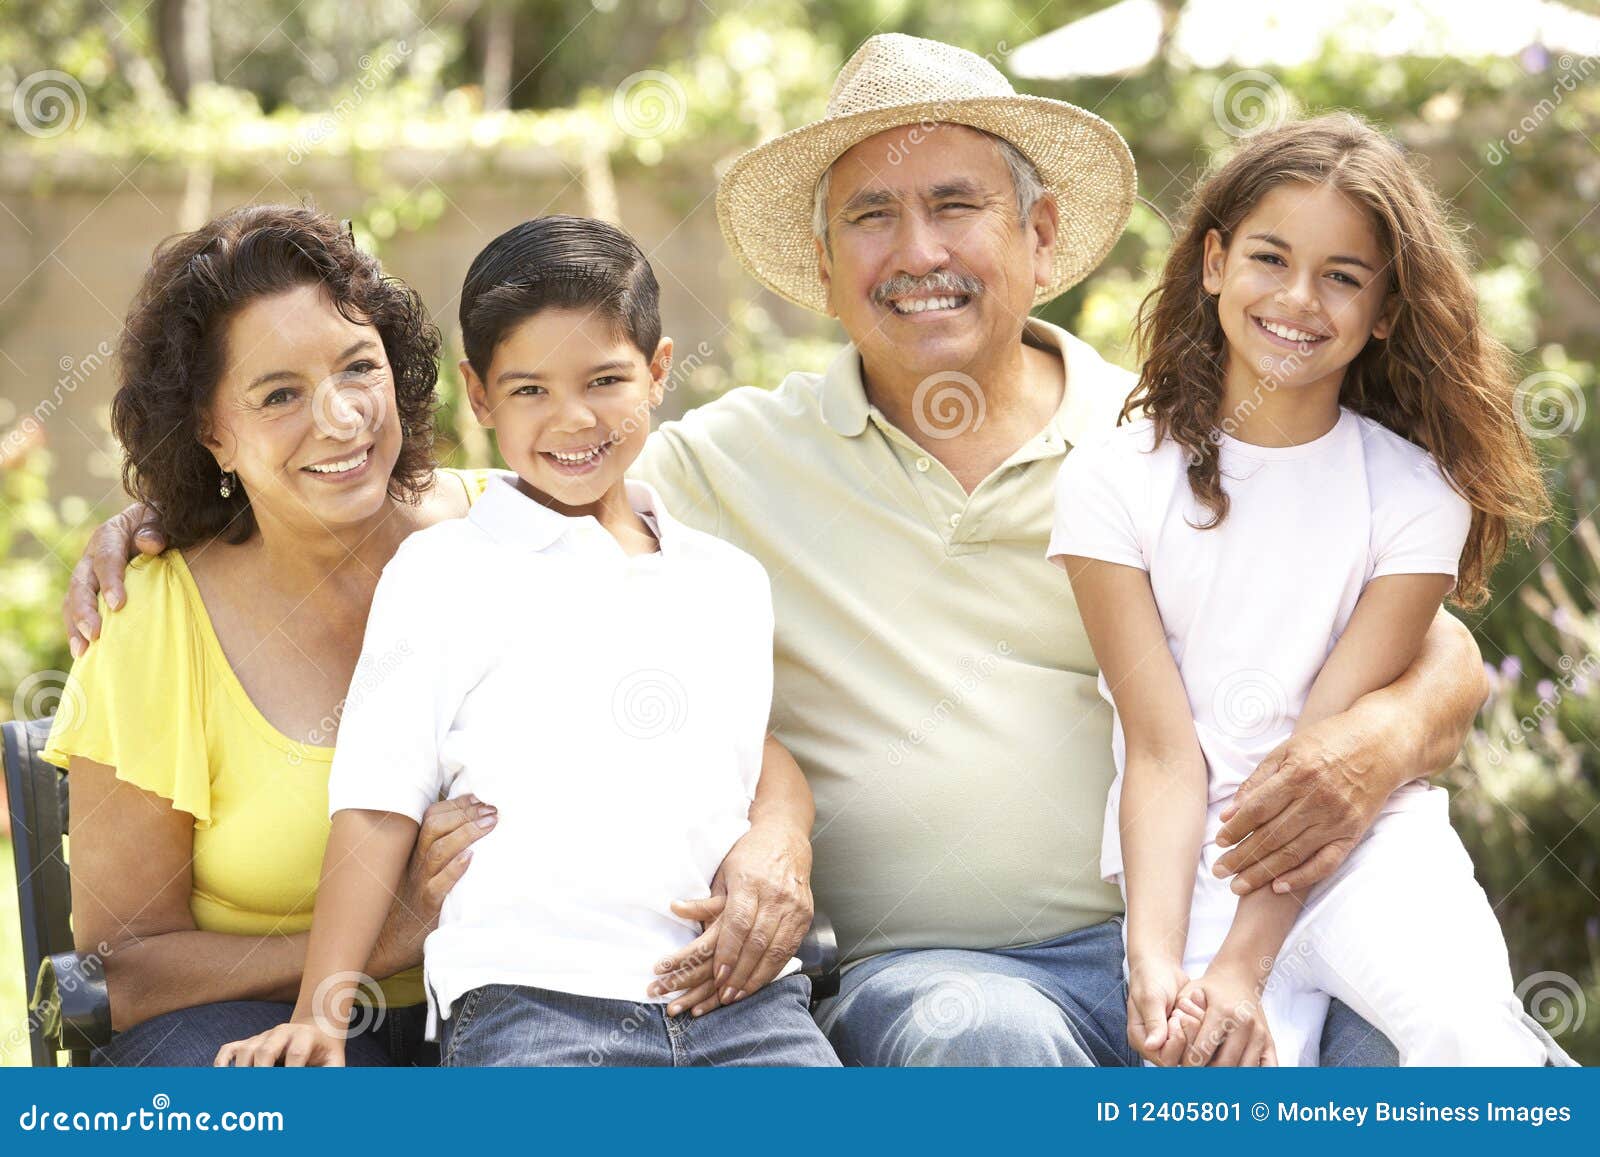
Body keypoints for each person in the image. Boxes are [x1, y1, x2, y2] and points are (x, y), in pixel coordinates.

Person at [66, 36, 1493, 1065]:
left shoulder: (1163, 447)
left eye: (958, 205)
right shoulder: (710, 468)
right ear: (822, 266)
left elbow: (1411, 619)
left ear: (1042, 232)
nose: (915, 247)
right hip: (935, 982)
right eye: (872, 212)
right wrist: (191, 514)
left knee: (1413, 1063)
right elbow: (491, 514)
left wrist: (1397, 728)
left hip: (1202, 931)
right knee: (975, 1046)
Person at [46, 206, 813, 1066]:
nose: (340, 419)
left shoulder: (524, 513)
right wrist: (397, 930)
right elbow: (122, 972)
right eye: (279, 394)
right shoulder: (153, 621)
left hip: (566, 1001)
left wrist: (776, 839)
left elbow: (721, 725)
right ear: (211, 430)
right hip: (282, 1024)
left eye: (357, 367)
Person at [1050, 113, 1568, 1066]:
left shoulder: (1415, 494)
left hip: (1372, 845)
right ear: (1213, 263)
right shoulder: (1111, 479)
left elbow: (1324, 759)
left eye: (1342, 276)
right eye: (1270, 258)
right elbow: (1164, 754)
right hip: (1196, 865)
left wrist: (1248, 966)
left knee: (1471, 1041)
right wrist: (1156, 960)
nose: (1298, 298)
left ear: (1384, 312)